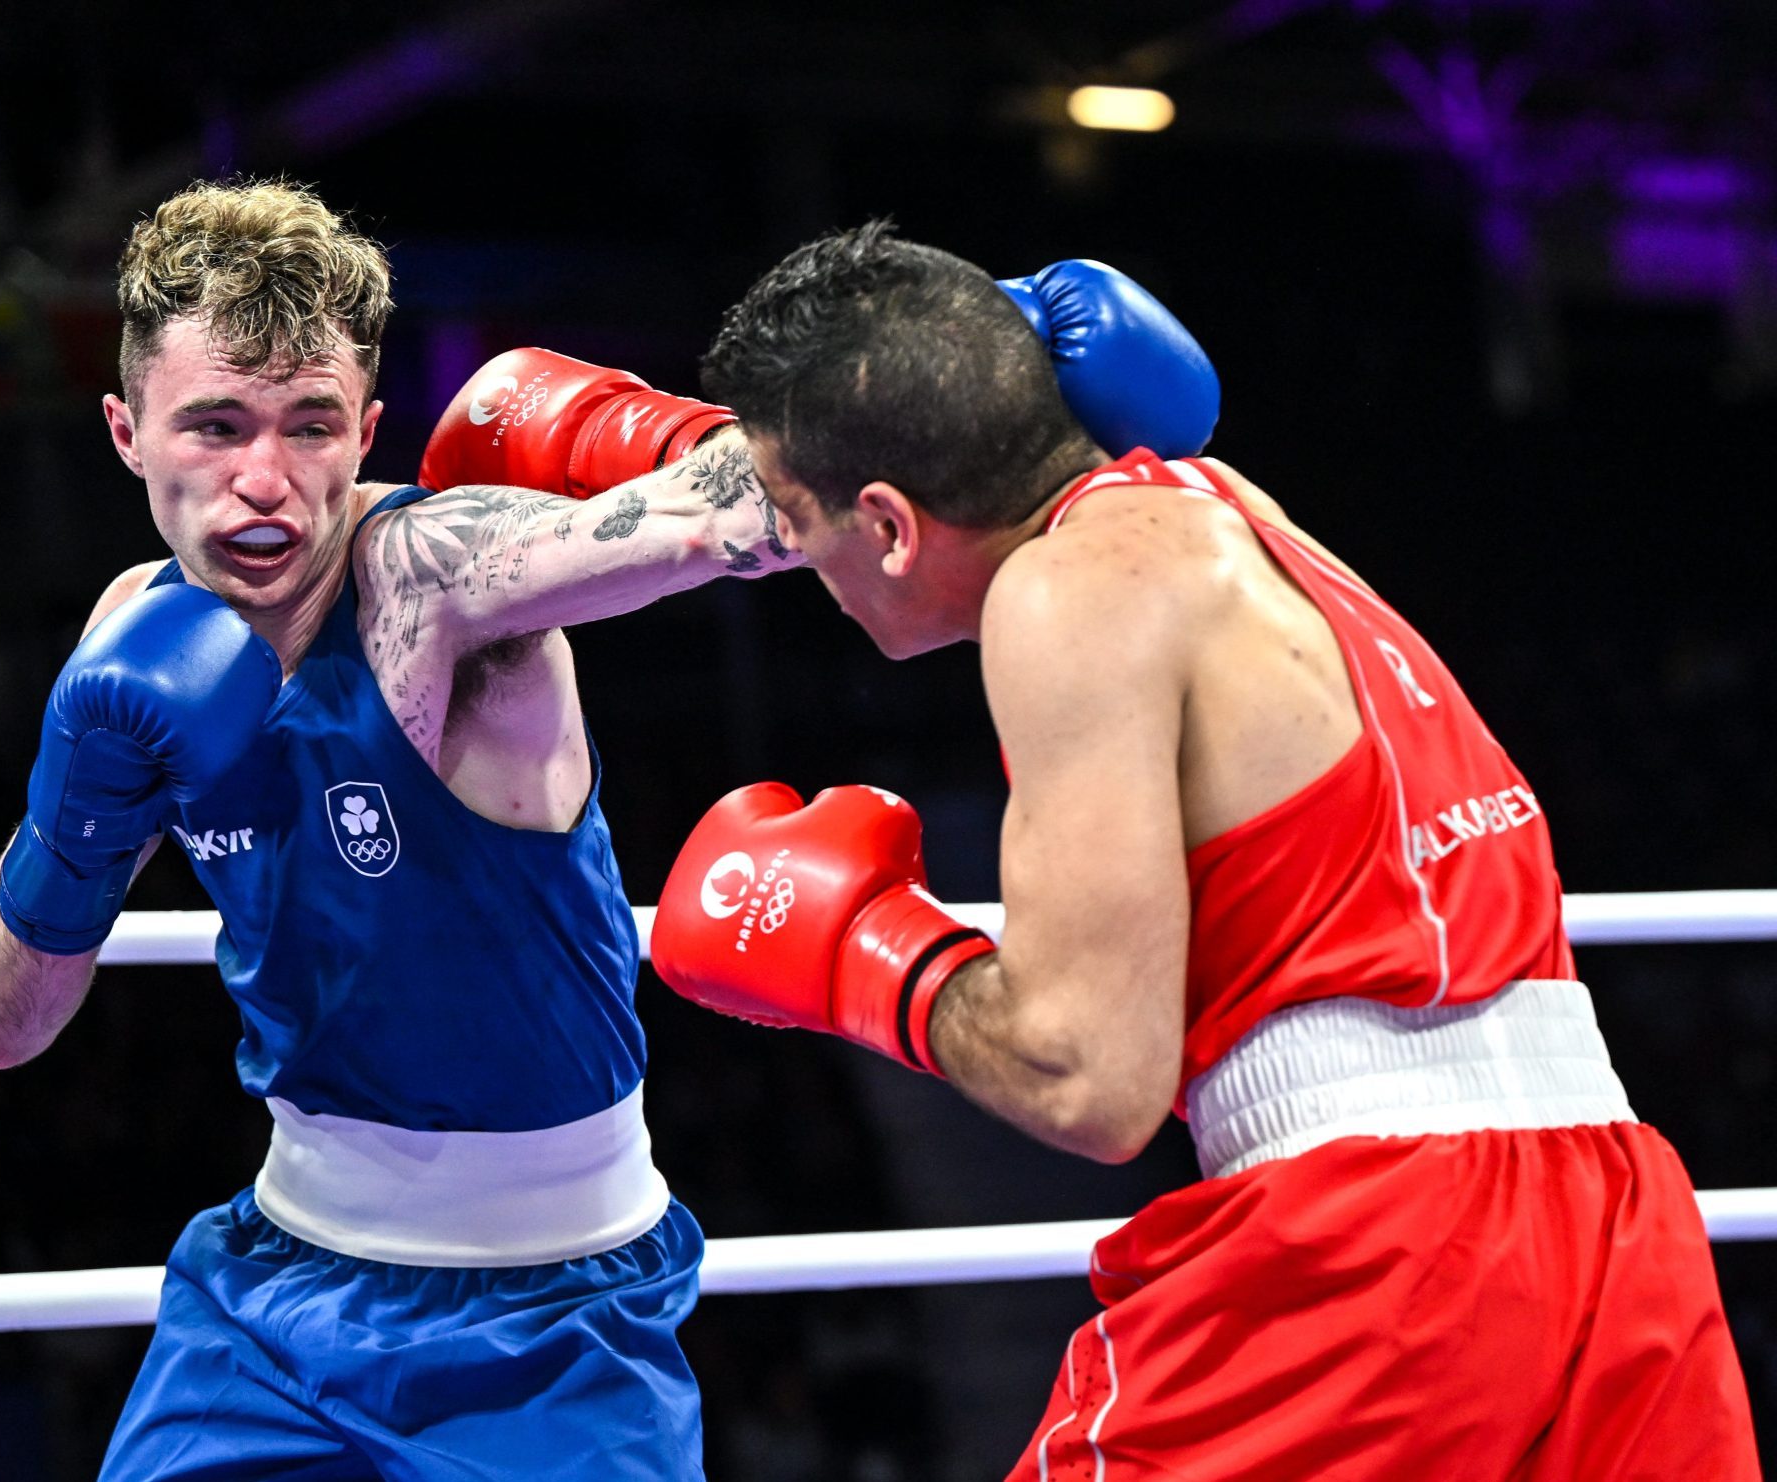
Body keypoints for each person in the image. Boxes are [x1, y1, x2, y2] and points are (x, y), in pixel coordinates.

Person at [651, 222, 1761, 1478]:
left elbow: (1085, 1078)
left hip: (1383, 1245)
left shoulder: (1066, 590)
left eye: (797, 523)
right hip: (1614, 1214)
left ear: (891, 526)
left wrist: (874, 956)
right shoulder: (1231, 509)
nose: (799, 561)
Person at [0, 177, 797, 1481]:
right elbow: (1, 1028)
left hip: (549, 1321)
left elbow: (738, 515)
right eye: (215, 426)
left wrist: (688, 439)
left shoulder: (434, 579)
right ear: (126, 432)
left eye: (311, 426)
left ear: (368, 431)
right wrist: (70, 834)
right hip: (271, 1298)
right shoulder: (131, 631)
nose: (265, 482)